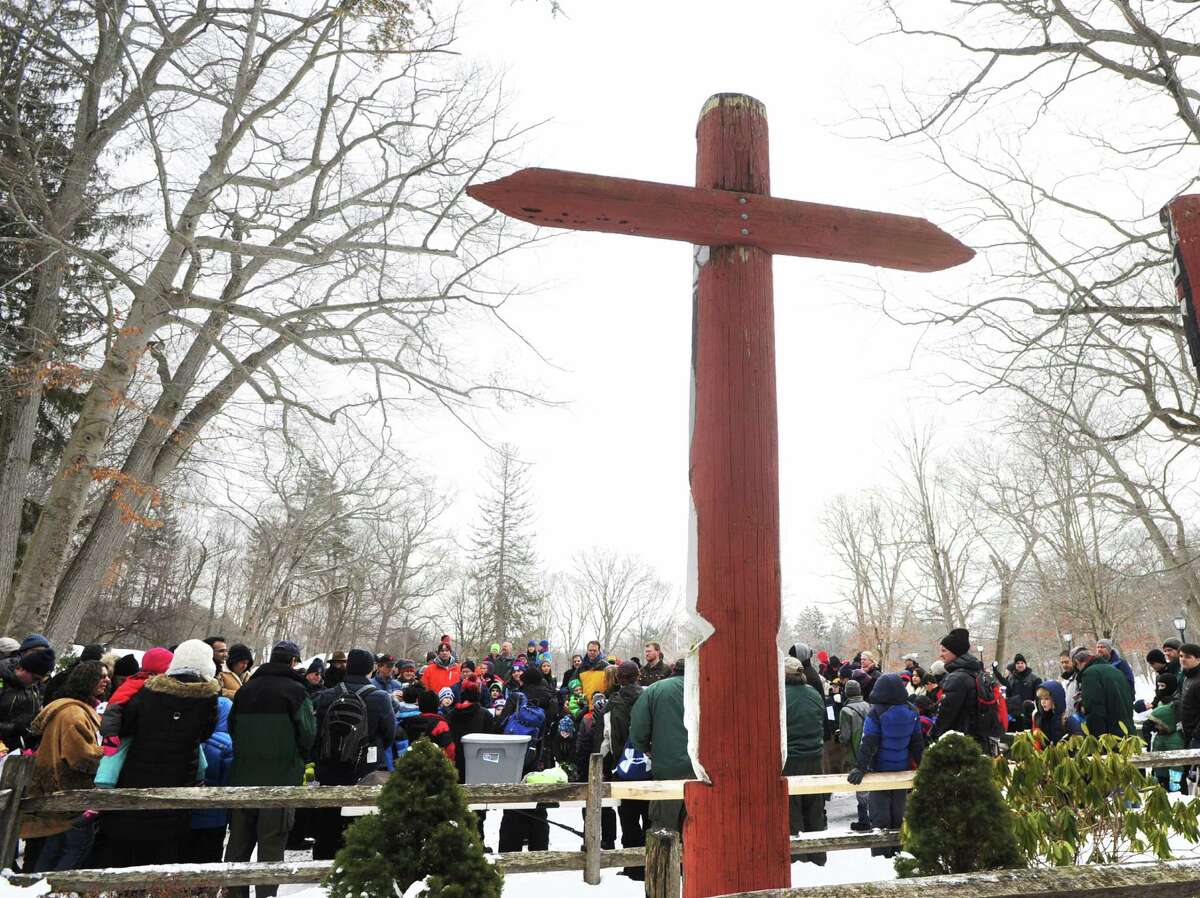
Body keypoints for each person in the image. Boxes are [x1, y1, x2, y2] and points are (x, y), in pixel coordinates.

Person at [104, 639, 219, 867]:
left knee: (129, 854)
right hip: (179, 779)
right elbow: (205, 733)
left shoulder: (148, 691)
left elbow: (126, 725)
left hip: (136, 777)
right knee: (164, 854)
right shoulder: (208, 699)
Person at [225, 639, 316, 898]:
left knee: (238, 844)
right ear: (293, 662)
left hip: (243, 778)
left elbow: (233, 729)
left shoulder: (245, 690)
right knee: (272, 844)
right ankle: (267, 895)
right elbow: (308, 734)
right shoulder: (297, 692)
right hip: (281, 778)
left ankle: (235, 894)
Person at [21, 660, 108, 871]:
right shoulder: (73, 713)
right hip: (69, 791)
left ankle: (37, 887)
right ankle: (55, 890)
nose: (106, 680)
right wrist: (109, 753)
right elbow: (79, 755)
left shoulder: (77, 709)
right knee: (76, 847)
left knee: (55, 845)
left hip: (62, 792)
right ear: (87, 680)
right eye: (101, 676)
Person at [311, 648, 395, 860]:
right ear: (370, 669)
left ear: (348, 666)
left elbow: (317, 731)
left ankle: (323, 863)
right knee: (362, 816)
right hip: (365, 769)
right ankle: (360, 862)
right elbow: (390, 733)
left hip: (330, 766)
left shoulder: (328, 695)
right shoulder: (380, 698)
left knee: (329, 819)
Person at [846, 673, 923, 858]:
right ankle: (899, 853)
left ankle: (881, 855)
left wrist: (860, 767)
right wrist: (924, 766)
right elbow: (917, 743)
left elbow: (869, 742)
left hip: (880, 772)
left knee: (880, 817)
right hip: (901, 772)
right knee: (898, 814)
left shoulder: (876, 713)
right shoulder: (912, 711)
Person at [629, 660, 692, 834]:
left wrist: (645, 747)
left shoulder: (655, 690)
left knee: (664, 830)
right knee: (699, 828)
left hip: (667, 768)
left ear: (673, 670)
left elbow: (638, 727)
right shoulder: (707, 688)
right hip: (703, 771)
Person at [602, 661, 647, 879]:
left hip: (624, 766)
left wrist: (615, 762)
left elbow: (610, 738)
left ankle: (633, 866)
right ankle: (650, 863)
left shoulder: (614, 703)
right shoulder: (650, 697)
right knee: (649, 817)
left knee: (628, 819)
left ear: (619, 678)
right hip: (649, 765)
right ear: (638, 676)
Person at [783, 656, 828, 865]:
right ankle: (818, 855)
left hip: (791, 758)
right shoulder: (813, 694)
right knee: (814, 806)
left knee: (792, 808)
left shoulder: (780, 696)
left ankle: (798, 857)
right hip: (815, 757)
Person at [187, 694, 235, 863]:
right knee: (209, 858)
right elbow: (229, 779)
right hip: (215, 816)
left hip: (186, 814)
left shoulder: (190, 737)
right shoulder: (228, 744)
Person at [928, 628, 985, 746]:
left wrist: (932, 736)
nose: (941, 655)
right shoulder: (975, 672)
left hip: (959, 740)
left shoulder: (957, 678)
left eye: (944, 651)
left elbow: (946, 713)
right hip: (975, 737)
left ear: (955, 652)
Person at [1072, 645, 1135, 737]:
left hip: (1109, 735)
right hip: (1127, 731)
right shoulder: (1114, 670)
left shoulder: (1089, 674)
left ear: (1078, 662)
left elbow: (1095, 708)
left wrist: (1095, 739)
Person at [0, 650, 54, 751]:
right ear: (23, 669)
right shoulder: (3, 681)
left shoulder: (31, 686)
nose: (35, 683)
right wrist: (13, 728)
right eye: (35, 678)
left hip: (14, 749)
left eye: (39, 680)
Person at [837, 678, 871, 832]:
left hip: (856, 751)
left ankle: (863, 819)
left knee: (861, 786)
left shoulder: (846, 710)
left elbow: (844, 737)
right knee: (871, 783)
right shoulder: (868, 706)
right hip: (870, 750)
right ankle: (873, 816)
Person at [997, 653, 1041, 732]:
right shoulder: (1011, 679)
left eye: (1022, 663)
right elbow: (1008, 696)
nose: (1020, 665)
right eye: (1017, 663)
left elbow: (1039, 696)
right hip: (1015, 715)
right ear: (1015, 665)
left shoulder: (1034, 678)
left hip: (1030, 715)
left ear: (1025, 664)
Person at [1178, 643, 1200, 747]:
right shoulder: (1187, 677)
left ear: (1198, 659)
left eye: (1187, 657)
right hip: (1188, 734)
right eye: (1181, 656)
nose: (1183, 659)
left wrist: (1196, 736)